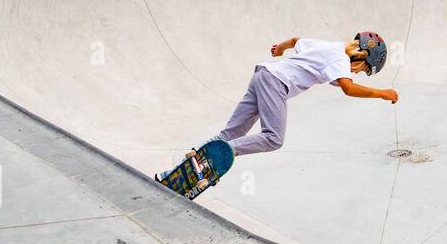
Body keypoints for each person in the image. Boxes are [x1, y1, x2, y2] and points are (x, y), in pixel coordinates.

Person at [158, 34, 397, 165]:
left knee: (230, 132)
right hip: (276, 83)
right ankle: (221, 153)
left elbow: (295, 40)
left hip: (263, 75)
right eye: (364, 69)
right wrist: (382, 93)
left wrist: (279, 50)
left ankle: (180, 167)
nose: (357, 73)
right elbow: (348, 89)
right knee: (273, 139)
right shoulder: (342, 62)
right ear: (362, 56)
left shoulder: (330, 47)